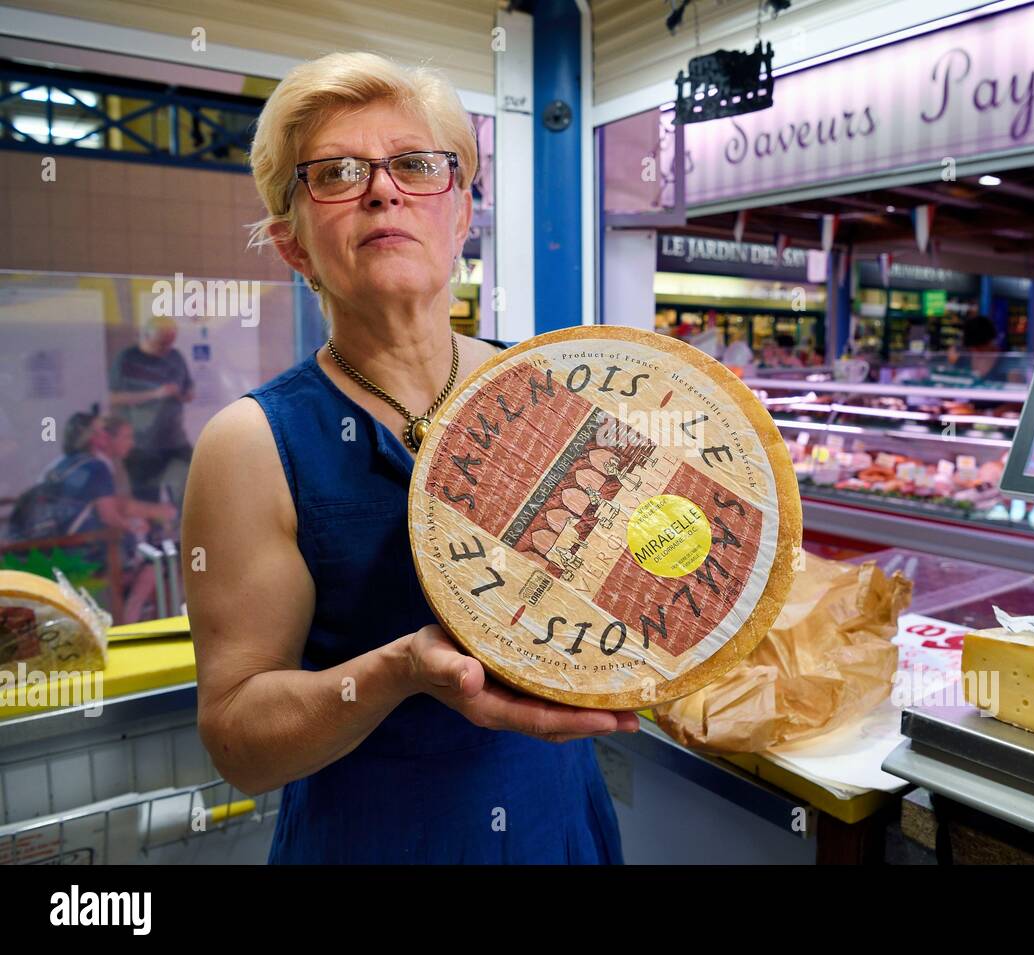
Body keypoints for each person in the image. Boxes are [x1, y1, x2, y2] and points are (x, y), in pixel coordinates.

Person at [181, 51, 636, 865]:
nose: (383, 189)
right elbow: (239, 741)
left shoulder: (551, 389)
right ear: (292, 245)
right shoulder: (252, 444)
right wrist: (400, 670)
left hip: (557, 824)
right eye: (337, 172)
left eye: (417, 166)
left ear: (461, 212)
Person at [8, 409, 176, 622]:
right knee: (155, 559)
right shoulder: (96, 467)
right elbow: (110, 516)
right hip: (73, 552)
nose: (106, 434)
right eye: (102, 431)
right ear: (95, 439)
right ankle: (131, 615)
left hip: (38, 550)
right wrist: (135, 526)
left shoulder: (61, 463)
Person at [108, 316, 195, 507]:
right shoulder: (127, 359)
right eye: (161, 344)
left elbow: (189, 390)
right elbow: (114, 398)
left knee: (191, 496)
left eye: (170, 343)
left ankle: (185, 535)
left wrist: (183, 395)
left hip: (175, 441)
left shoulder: (176, 356)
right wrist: (155, 394)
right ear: (144, 336)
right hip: (141, 445)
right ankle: (153, 536)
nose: (165, 349)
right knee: (147, 502)